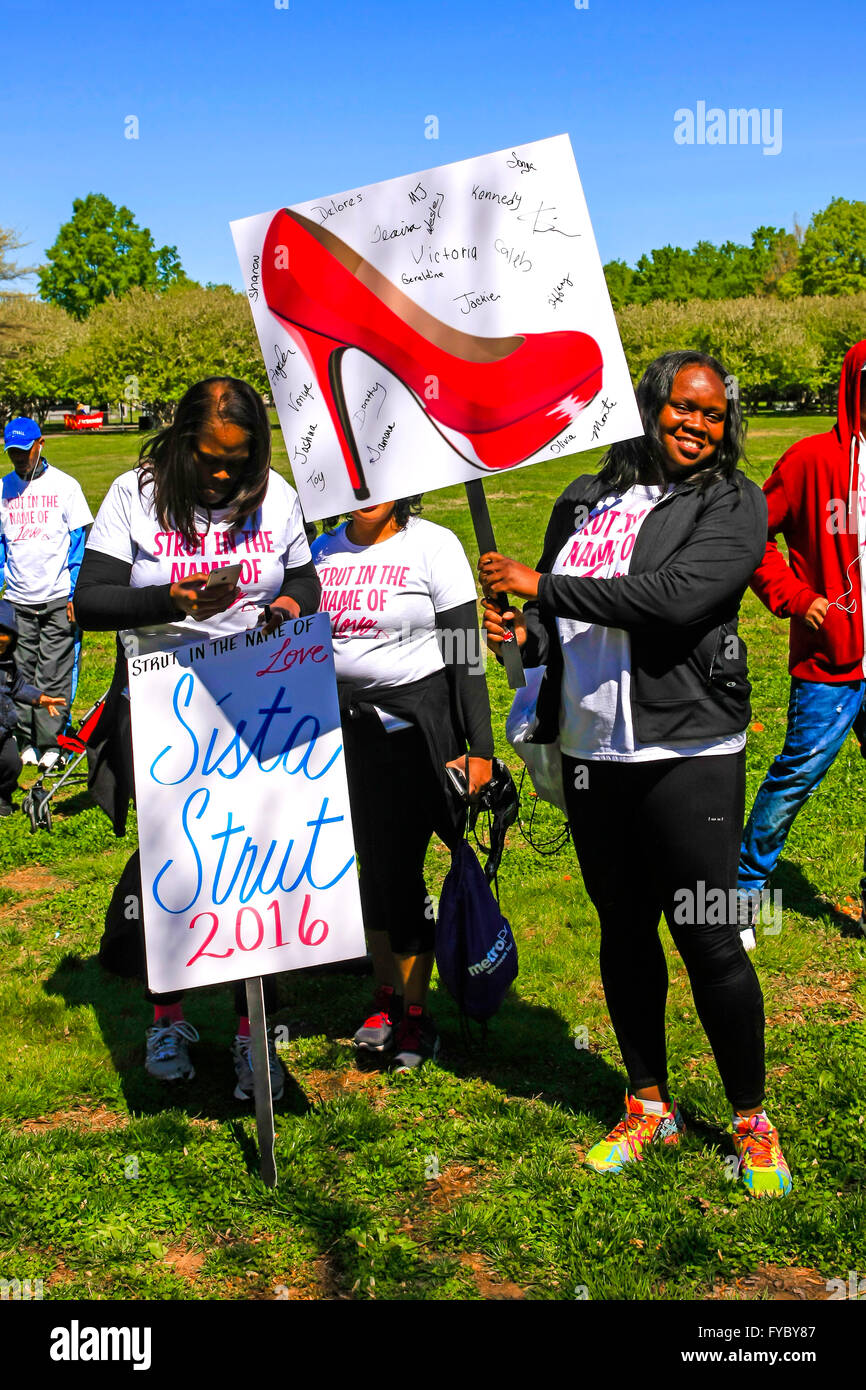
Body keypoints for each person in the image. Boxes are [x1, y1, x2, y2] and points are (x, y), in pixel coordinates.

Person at [479, 350, 792, 1197]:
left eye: (715, 413)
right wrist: (523, 633)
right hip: (592, 750)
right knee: (624, 928)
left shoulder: (732, 502)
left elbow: (674, 598)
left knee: (710, 934)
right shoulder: (583, 500)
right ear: (649, 405)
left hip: (688, 750)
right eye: (683, 407)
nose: (698, 424)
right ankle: (647, 1101)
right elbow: (552, 622)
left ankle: (751, 1119)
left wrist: (545, 584)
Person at [74, 376, 321, 1097]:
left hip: (256, 701)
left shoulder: (275, 497)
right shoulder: (134, 494)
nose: (222, 475)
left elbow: (306, 582)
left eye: (237, 461)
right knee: (176, 868)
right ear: (183, 442)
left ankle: (252, 1036)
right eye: (210, 459)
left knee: (260, 869)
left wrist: (280, 604)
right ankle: (170, 1017)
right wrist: (170, 598)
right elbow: (89, 602)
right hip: (163, 707)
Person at [312, 497, 494, 1070]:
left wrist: (480, 750)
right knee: (372, 869)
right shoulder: (320, 551)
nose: (366, 494)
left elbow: (465, 653)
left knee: (403, 870)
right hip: (341, 736)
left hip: (413, 732)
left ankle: (416, 1013)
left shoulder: (433, 545)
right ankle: (385, 998)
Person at [739, 342, 866, 944]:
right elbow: (752, 537)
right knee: (797, 774)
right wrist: (794, 596)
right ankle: (741, 894)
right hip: (830, 663)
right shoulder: (810, 461)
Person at [0, 416, 93, 771]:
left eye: (25, 451)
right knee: (18, 671)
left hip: (57, 596)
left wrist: (74, 593)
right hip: (17, 599)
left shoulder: (65, 486)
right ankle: (25, 739)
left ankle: (52, 741)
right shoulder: (3, 489)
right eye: (13, 453)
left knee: (54, 670)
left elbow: (78, 544)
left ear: (41, 444)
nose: (20, 458)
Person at [0, 598, 67, 815]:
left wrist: (41, 698)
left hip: (3, 732)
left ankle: (3, 796)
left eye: (5, 645)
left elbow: (19, 687)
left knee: (12, 764)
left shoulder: (8, 665)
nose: (1, 649)